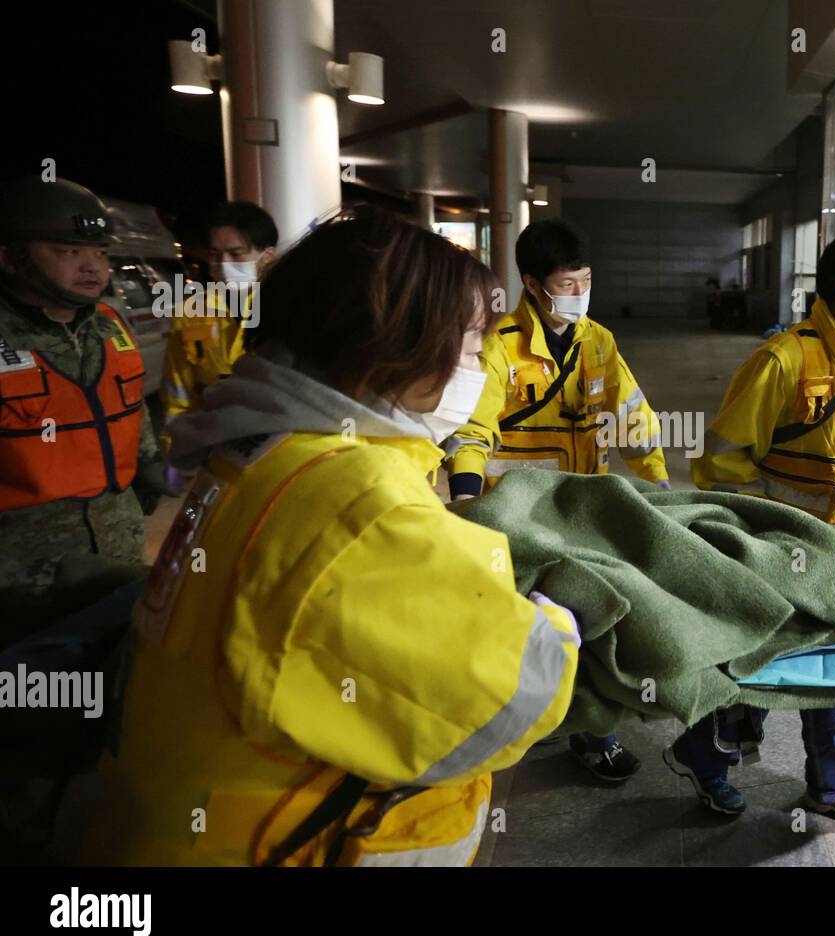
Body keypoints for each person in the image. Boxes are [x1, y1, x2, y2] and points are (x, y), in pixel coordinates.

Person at [79, 209, 580, 866]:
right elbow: (513, 689)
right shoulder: (356, 491)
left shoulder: (256, 451)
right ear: (391, 346)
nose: (476, 367)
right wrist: (560, 621)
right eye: (465, 345)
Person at [662, 232, 835, 824]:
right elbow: (720, 461)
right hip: (770, 549)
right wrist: (763, 533)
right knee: (758, 669)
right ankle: (702, 758)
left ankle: (833, 786)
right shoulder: (780, 360)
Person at [447, 218, 668, 784]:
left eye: (586, 280)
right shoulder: (500, 348)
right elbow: (473, 430)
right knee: (529, 621)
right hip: (519, 515)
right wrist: (468, 497)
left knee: (592, 617)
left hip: (584, 506)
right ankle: (516, 718)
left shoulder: (598, 340)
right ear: (532, 284)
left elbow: (631, 415)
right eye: (566, 284)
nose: (578, 293)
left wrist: (657, 481)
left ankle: (594, 733)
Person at [0, 176, 171, 641]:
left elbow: (132, 407)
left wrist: (150, 463)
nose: (93, 266)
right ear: (12, 257)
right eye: (68, 251)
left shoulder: (111, 326)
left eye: (99, 253)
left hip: (117, 548)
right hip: (20, 580)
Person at [158, 201, 278, 455]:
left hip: (276, 446)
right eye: (215, 254)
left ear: (266, 257)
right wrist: (177, 448)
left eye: (236, 254)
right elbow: (178, 391)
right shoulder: (190, 312)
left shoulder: (288, 310)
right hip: (213, 444)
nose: (223, 264)